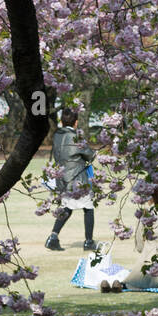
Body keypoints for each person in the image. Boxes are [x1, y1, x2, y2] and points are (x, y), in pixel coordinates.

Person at [45, 108, 97, 252]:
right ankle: (89, 242)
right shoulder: (75, 137)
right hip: (77, 178)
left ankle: (53, 238)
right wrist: (94, 152)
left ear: (62, 121)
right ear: (76, 122)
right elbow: (89, 155)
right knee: (88, 208)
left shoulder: (56, 136)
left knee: (67, 207)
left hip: (62, 179)